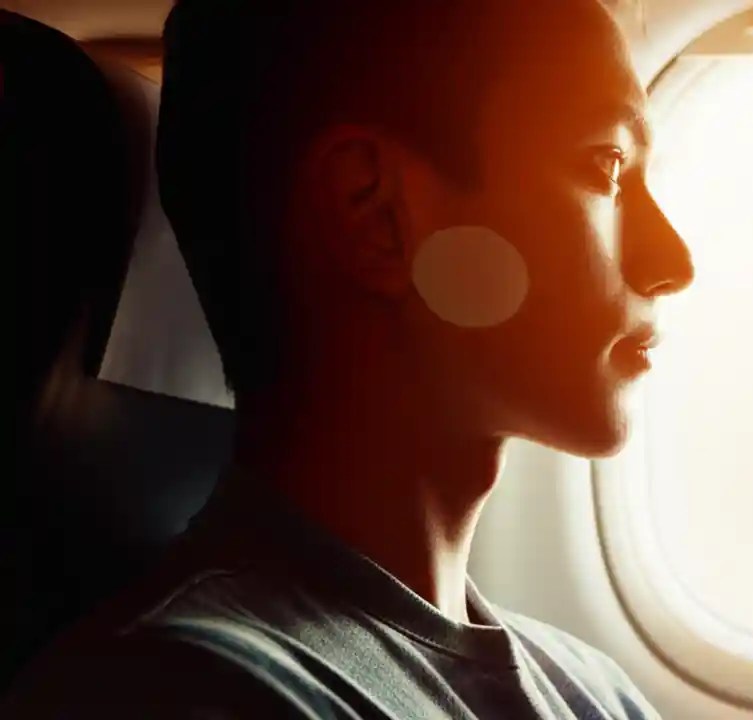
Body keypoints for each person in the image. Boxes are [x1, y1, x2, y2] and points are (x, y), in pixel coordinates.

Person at [4, 0, 693, 717]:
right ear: (376, 214)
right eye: (607, 165)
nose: (673, 263)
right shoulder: (183, 691)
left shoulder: (593, 688)